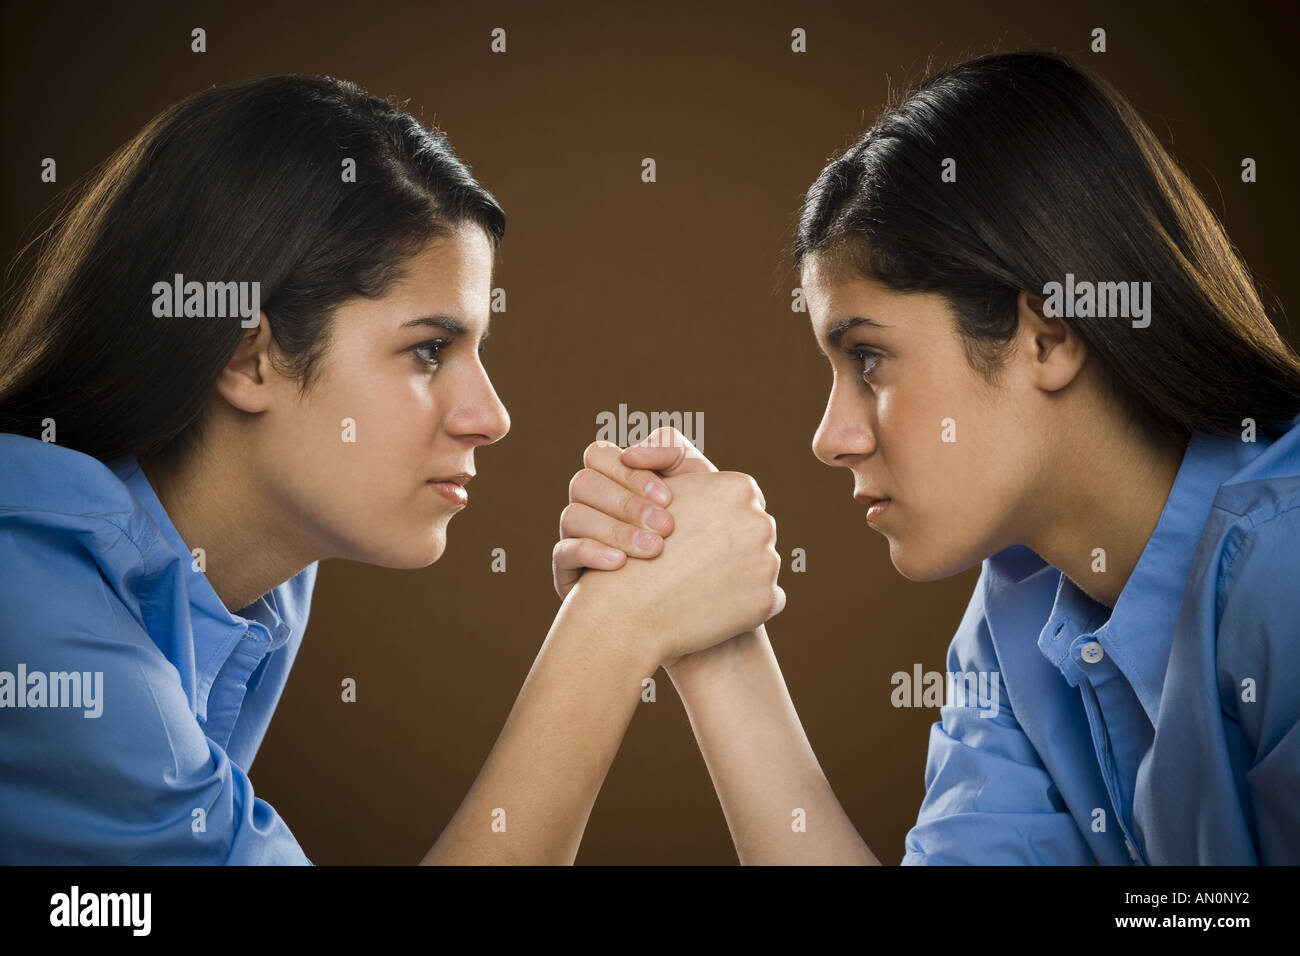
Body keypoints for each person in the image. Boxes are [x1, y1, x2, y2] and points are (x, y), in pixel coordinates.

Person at [0, 74, 784, 864]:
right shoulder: (29, 609)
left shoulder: (268, 580)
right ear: (249, 356)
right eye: (429, 350)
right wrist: (612, 635)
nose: (492, 417)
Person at [554, 52, 1300, 865]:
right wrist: (712, 638)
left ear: (1047, 335)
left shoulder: (1285, 565)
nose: (830, 437)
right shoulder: (1020, 607)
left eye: (869, 358)